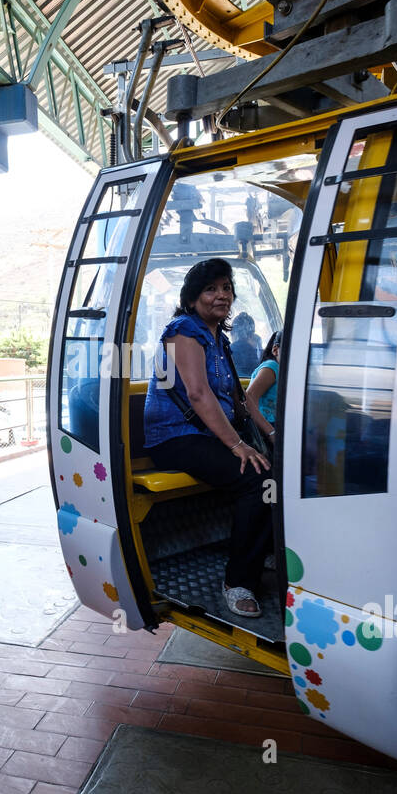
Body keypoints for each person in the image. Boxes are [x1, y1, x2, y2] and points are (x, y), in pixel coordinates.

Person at [143, 258, 274, 618]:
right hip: (175, 437)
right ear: (192, 298)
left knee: (277, 469)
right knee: (258, 479)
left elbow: (239, 401)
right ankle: (238, 582)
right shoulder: (184, 330)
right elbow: (198, 395)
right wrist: (238, 446)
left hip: (209, 436)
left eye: (226, 288)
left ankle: (264, 553)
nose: (221, 295)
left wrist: (271, 435)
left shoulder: (220, 339)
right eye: (211, 288)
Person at [245, 331, 281, 440]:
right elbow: (249, 398)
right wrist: (270, 433)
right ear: (275, 350)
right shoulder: (272, 367)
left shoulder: (286, 371)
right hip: (265, 425)